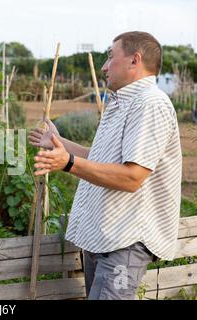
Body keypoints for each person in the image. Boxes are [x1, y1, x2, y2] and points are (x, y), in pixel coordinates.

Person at [29, 31, 182, 300]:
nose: (104, 66)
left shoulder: (150, 104)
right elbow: (102, 159)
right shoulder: (124, 102)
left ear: (135, 60)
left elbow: (132, 177)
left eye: (111, 57)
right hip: (105, 236)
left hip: (125, 240)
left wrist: (69, 163)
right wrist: (59, 143)